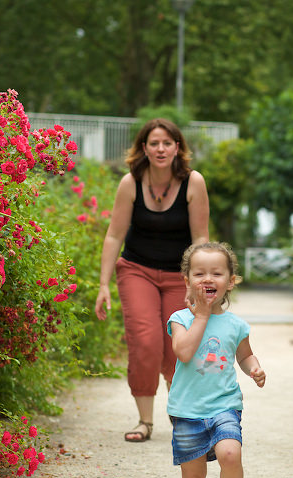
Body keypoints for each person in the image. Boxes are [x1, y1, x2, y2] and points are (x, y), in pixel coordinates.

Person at [94, 118, 209, 442]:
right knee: (145, 342)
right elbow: (114, 235)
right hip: (137, 270)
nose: (160, 149)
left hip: (179, 275)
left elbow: (201, 237)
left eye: (167, 143)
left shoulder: (193, 182)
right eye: (154, 143)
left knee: (176, 347)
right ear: (144, 148)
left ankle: (182, 418)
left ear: (177, 148)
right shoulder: (131, 182)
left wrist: (197, 282)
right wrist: (103, 285)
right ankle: (145, 421)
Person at [167, 242, 266, 478]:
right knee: (193, 477)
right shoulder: (180, 319)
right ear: (187, 281)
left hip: (225, 404)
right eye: (199, 274)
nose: (208, 279)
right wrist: (201, 316)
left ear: (230, 282)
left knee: (231, 454)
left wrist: (254, 368)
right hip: (186, 409)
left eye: (217, 273)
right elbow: (184, 353)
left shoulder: (236, 325)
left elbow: (245, 356)